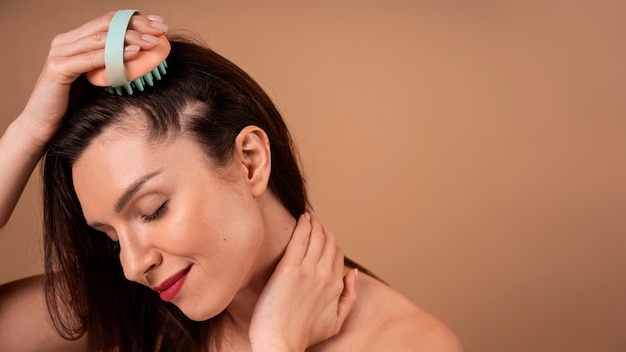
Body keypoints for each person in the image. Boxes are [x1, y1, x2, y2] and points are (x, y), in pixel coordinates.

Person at [0, 11, 463, 352]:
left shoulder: (409, 343)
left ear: (249, 160)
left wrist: (275, 344)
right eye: (109, 238)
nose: (132, 266)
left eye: (152, 209)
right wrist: (27, 132)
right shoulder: (136, 307)